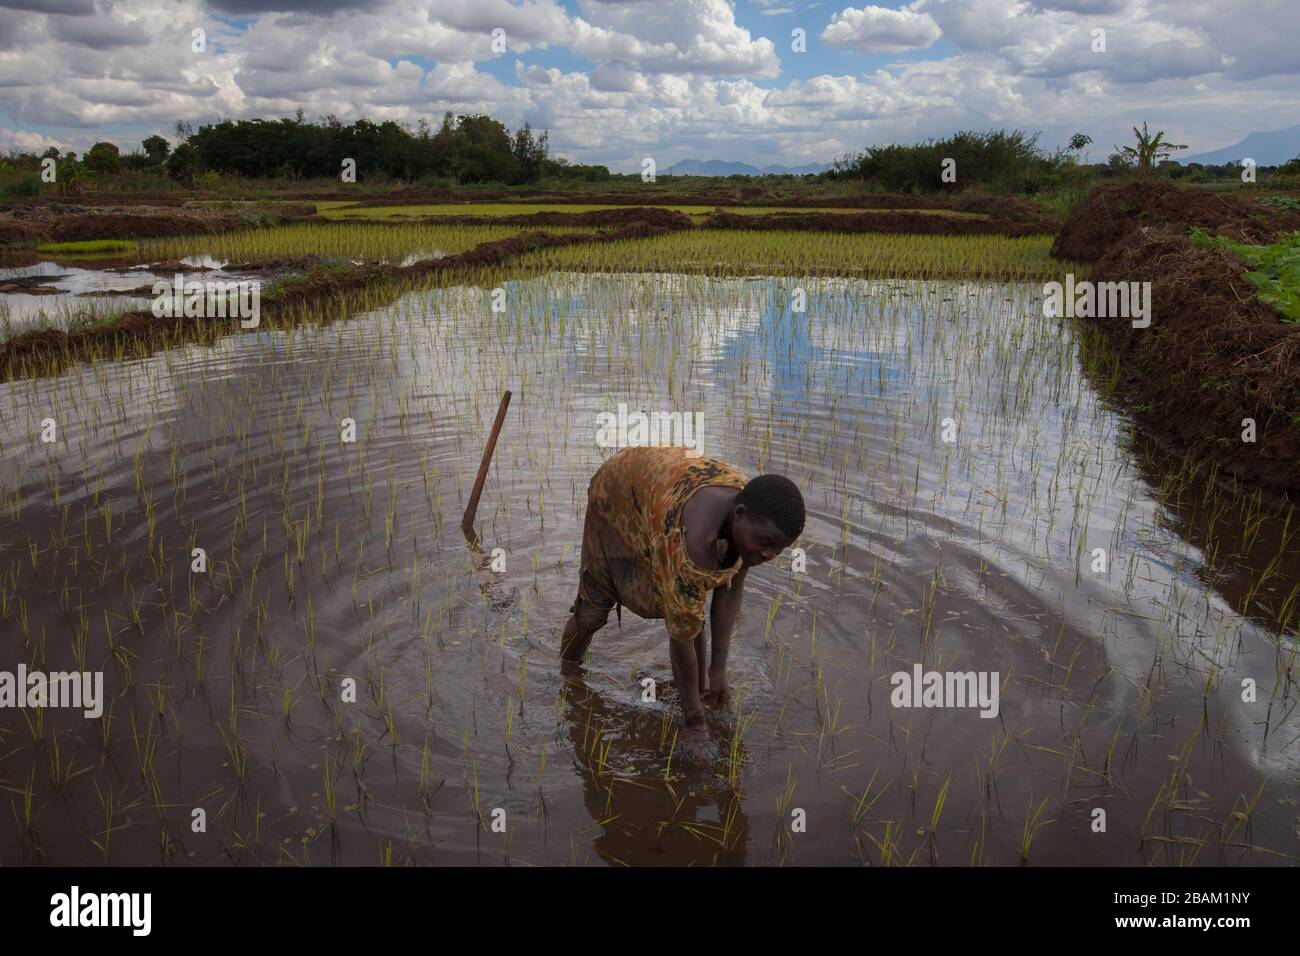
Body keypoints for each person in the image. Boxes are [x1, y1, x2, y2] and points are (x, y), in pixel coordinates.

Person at [560, 445, 805, 760]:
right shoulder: (691, 543)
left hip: (659, 486)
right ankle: (567, 672)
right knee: (594, 606)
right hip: (618, 493)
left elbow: (730, 584)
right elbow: (681, 632)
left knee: (690, 605)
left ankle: (697, 691)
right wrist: (694, 722)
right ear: (739, 515)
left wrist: (718, 671)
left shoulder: (754, 515)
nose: (770, 555)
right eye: (766, 544)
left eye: (780, 549)